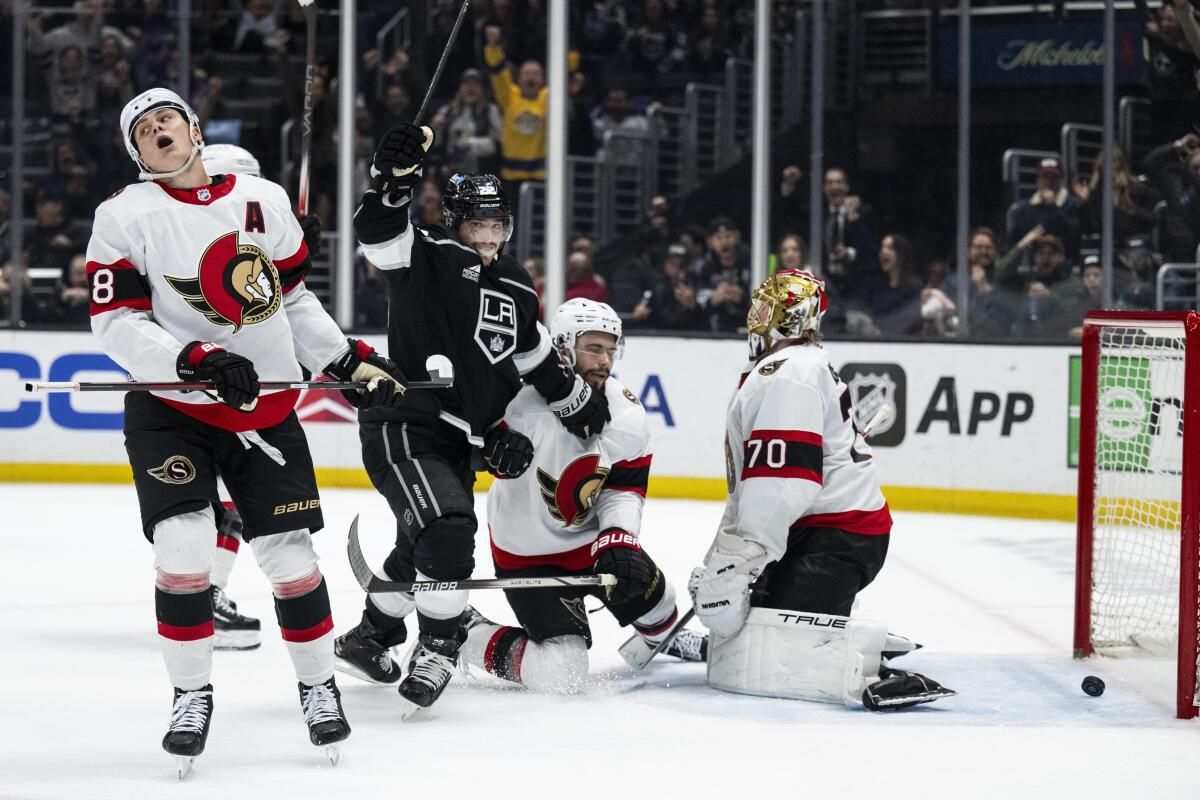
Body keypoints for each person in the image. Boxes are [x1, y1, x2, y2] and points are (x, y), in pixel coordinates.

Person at [85, 88, 407, 771]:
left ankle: (319, 688)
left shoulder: (262, 200)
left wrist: (347, 361)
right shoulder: (124, 215)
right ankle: (190, 694)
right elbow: (115, 323)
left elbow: (293, 298)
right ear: (137, 154)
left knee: (290, 558)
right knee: (184, 543)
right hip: (170, 406)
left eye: (167, 117)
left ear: (196, 131)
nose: (158, 129)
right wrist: (194, 359)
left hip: (262, 407)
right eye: (143, 129)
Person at [334, 123, 611, 716]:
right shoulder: (426, 255)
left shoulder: (516, 283)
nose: (487, 237)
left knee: (422, 546)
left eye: (495, 226)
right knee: (449, 532)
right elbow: (377, 233)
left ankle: (370, 636)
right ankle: (440, 642)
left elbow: (530, 358)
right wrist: (390, 184)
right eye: (476, 225)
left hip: (460, 441)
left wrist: (569, 406)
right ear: (455, 222)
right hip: (406, 424)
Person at [687, 270, 954, 710]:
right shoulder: (794, 367)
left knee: (766, 661)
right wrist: (723, 558)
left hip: (836, 537)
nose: (755, 319)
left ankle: (864, 665)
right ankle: (831, 624)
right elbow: (755, 487)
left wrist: (737, 564)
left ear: (787, 318)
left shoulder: (789, 373)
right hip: (817, 532)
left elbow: (782, 485)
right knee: (740, 633)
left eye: (765, 308)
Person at [461, 299, 706, 692]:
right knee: (563, 672)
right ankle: (464, 632)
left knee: (664, 609)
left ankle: (666, 638)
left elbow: (625, 486)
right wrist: (485, 448)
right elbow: (462, 448)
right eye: (594, 348)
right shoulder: (517, 405)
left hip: (589, 543)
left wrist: (618, 534)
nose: (605, 361)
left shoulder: (624, 411)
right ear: (562, 347)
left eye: (611, 349)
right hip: (529, 554)